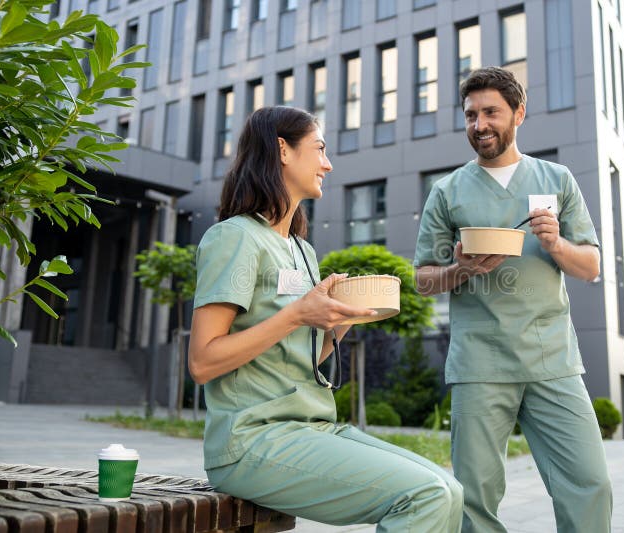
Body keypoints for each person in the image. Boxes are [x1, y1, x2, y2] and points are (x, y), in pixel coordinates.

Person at [188, 106, 463, 532]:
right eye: (319, 149)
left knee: (448, 489)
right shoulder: (234, 238)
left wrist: (342, 319)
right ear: (282, 149)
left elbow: (303, 359)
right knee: (423, 496)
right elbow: (202, 363)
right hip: (252, 441)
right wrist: (298, 314)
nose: (327, 163)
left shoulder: (302, 249)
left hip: (313, 427)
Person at [414, 67, 612, 532]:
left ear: (518, 113)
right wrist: (461, 269)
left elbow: (592, 267)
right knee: (474, 498)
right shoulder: (446, 191)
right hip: (481, 360)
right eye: (470, 115)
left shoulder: (557, 180)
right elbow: (423, 279)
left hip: (552, 358)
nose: (479, 125)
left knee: (590, 483)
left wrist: (557, 244)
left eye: (490, 113)